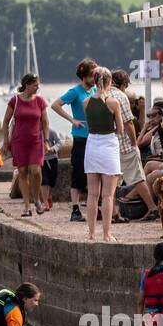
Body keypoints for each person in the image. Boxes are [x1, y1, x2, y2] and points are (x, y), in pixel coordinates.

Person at [52, 58, 98, 222]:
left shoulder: (95, 90)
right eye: (93, 76)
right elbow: (56, 105)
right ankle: (75, 209)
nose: (95, 79)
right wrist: (72, 120)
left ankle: (94, 207)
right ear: (84, 76)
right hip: (81, 138)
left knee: (94, 172)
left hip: (95, 137)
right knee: (78, 173)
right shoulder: (75, 91)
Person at [0, 73, 50, 217]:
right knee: (22, 172)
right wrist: (6, 141)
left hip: (36, 141)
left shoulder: (40, 101)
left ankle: (37, 200)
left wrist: (46, 141)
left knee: (35, 171)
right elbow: (5, 122)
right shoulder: (14, 100)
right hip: (19, 142)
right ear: (27, 85)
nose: (38, 87)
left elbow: (46, 123)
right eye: (35, 85)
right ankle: (27, 206)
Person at [109, 69, 156, 222]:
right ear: (123, 84)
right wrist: (134, 143)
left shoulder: (101, 95)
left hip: (109, 144)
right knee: (137, 177)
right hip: (125, 144)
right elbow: (129, 123)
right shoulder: (120, 96)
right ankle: (152, 208)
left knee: (111, 179)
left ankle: (113, 213)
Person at [84, 67, 124, 241]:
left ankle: (91, 233)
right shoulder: (113, 102)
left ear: (94, 81)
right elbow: (121, 130)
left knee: (93, 194)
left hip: (92, 144)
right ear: (109, 82)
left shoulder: (86, 102)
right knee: (108, 195)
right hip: (108, 144)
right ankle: (107, 233)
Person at [39, 126, 63, 213]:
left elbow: (59, 142)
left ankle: (48, 196)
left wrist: (52, 149)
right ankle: (45, 203)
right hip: (41, 160)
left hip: (53, 159)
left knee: (52, 181)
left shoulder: (51, 131)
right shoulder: (35, 132)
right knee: (44, 181)